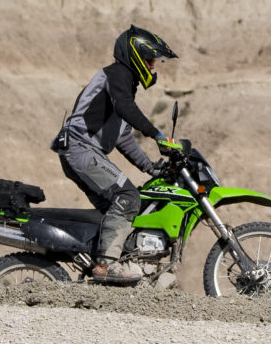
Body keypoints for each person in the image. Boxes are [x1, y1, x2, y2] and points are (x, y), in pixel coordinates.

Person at [54, 25, 181, 284]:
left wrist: (152, 168)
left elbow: (123, 137)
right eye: (150, 60)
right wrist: (157, 134)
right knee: (127, 197)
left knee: (119, 211)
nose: (153, 67)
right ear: (135, 55)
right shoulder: (117, 75)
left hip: (80, 151)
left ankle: (97, 267)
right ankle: (108, 266)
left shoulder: (122, 85)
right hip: (79, 148)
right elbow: (126, 108)